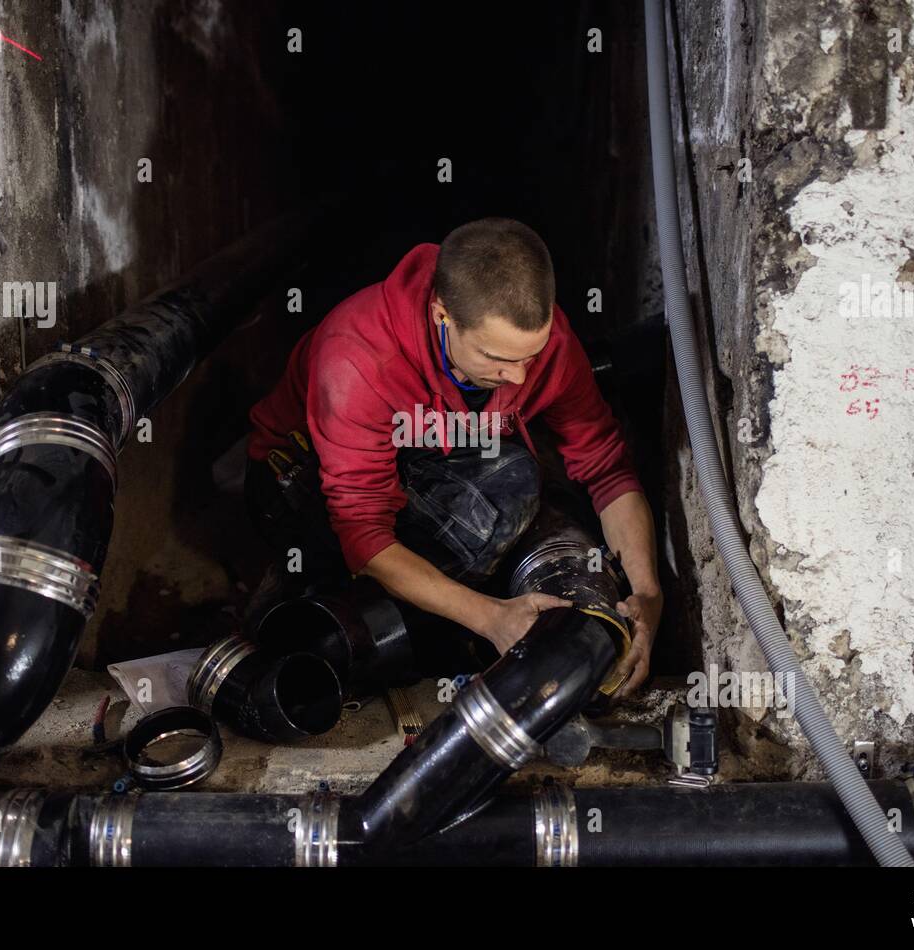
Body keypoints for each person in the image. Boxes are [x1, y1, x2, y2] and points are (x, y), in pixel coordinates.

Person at [245, 217, 662, 697]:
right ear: (443, 314)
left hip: (423, 457)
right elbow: (362, 528)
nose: (520, 378)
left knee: (519, 481)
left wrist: (648, 595)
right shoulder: (357, 358)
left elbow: (605, 467)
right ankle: (314, 607)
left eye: (530, 355)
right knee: (509, 489)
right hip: (298, 482)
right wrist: (490, 618)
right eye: (496, 359)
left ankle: (421, 603)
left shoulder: (547, 346)